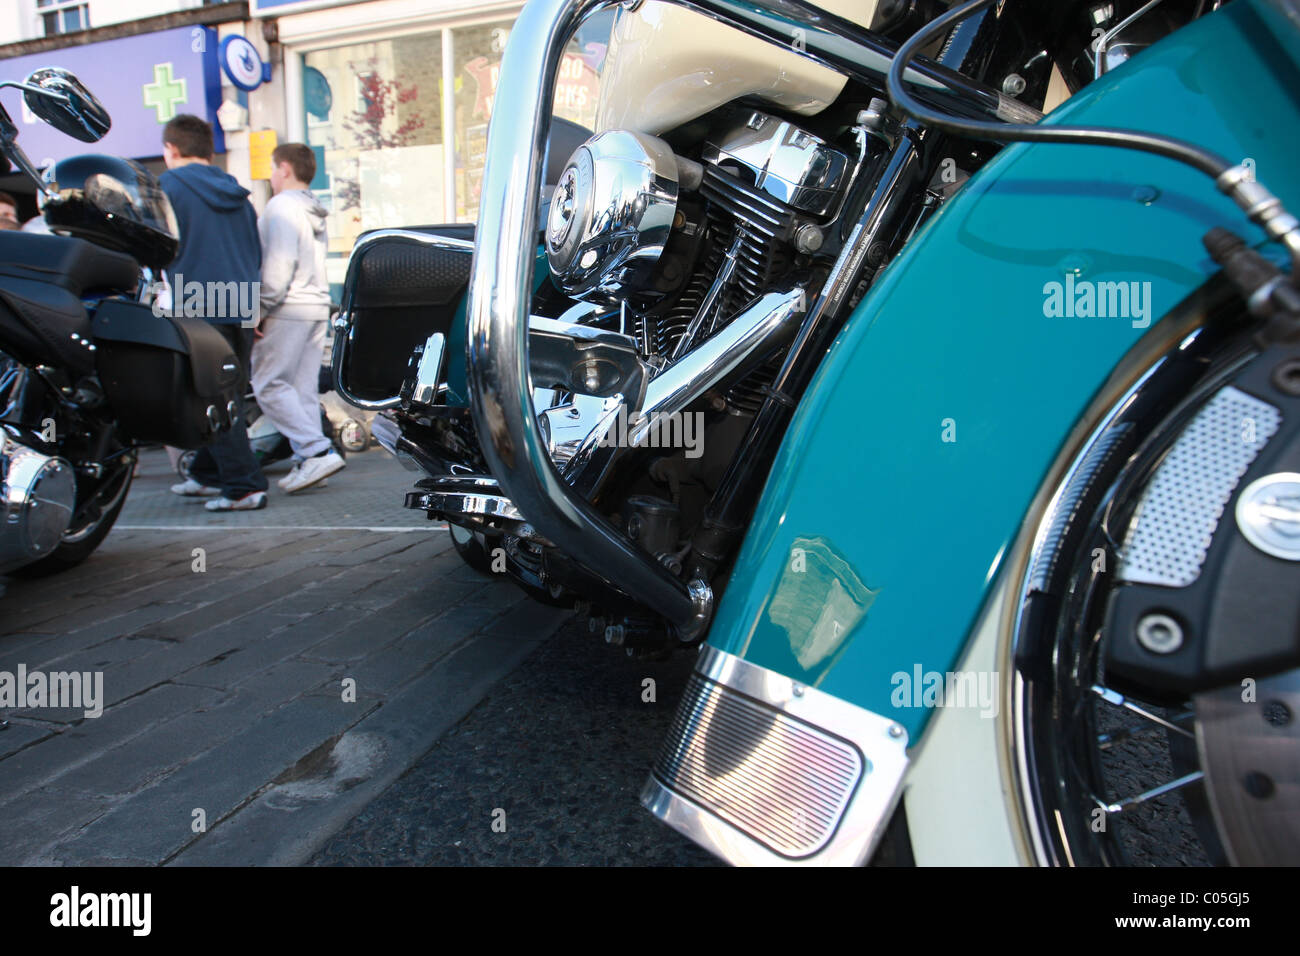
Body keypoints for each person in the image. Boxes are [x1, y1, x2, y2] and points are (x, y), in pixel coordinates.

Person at [159, 114, 270, 511]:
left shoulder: (168, 187)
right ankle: (207, 474)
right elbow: (255, 253)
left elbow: (155, 245)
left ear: (171, 149)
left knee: (209, 396)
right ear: (209, 149)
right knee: (227, 394)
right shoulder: (239, 195)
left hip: (196, 300)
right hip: (239, 301)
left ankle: (243, 487)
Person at [251, 142, 344, 493]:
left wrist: (256, 312)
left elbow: (277, 268)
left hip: (287, 307)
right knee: (302, 387)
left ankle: (315, 450)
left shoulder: (280, 207)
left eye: (274, 169)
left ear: (285, 168)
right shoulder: (313, 208)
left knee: (269, 384)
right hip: (316, 305)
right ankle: (310, 458)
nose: (272, 177)